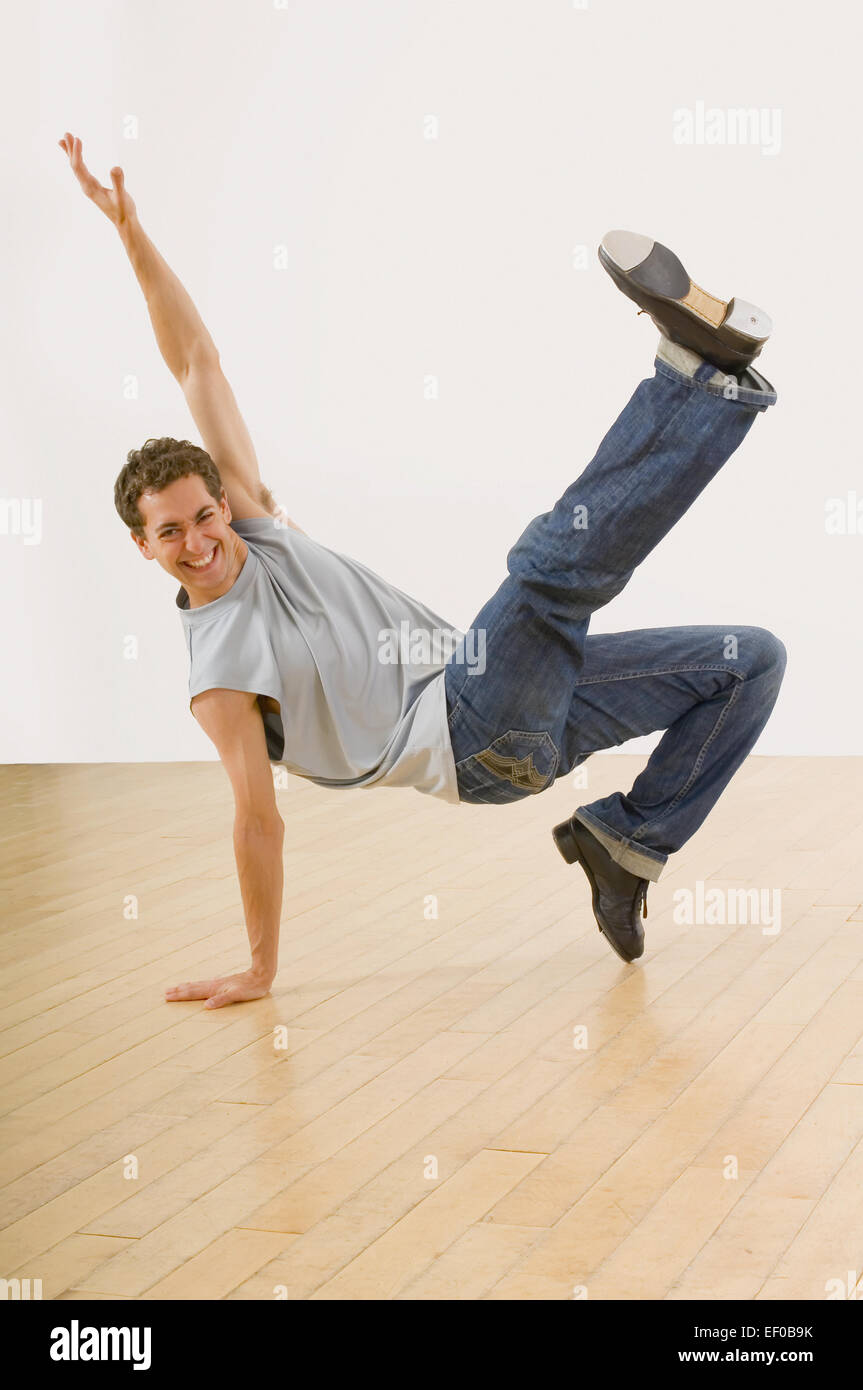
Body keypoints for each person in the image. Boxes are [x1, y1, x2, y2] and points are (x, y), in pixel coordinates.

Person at [59, 134, 786, 1004]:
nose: (198, 540)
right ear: (144, 547)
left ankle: (627, 846)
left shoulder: (255, 526)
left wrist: (130, 233)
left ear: (226, 502)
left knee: (749, 661)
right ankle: (700, 376)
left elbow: (194, 362)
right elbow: (256, 823)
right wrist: (260, 967)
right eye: (171, 534)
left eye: (205, 515)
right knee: (549, 572)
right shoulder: (218, 673)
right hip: (473, 735)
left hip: (511, 705)